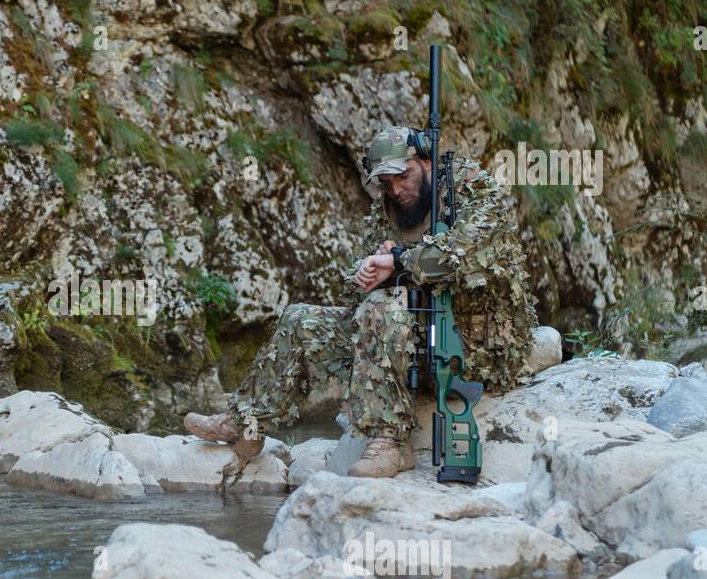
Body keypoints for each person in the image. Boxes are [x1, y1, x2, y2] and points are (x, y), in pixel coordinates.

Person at [185, 125, 539, 478]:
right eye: (385, 182)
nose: (396, 189)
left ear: (426, 162)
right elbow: (358, 297)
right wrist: (366, 275)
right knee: (299, 320)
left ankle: (388, 443)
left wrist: (398, 260)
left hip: (468, 348)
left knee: (381, 309)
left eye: (403, 176)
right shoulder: (385, 211)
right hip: (404, 340)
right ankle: (245, 424)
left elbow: (464, 255)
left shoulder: (472, 189)